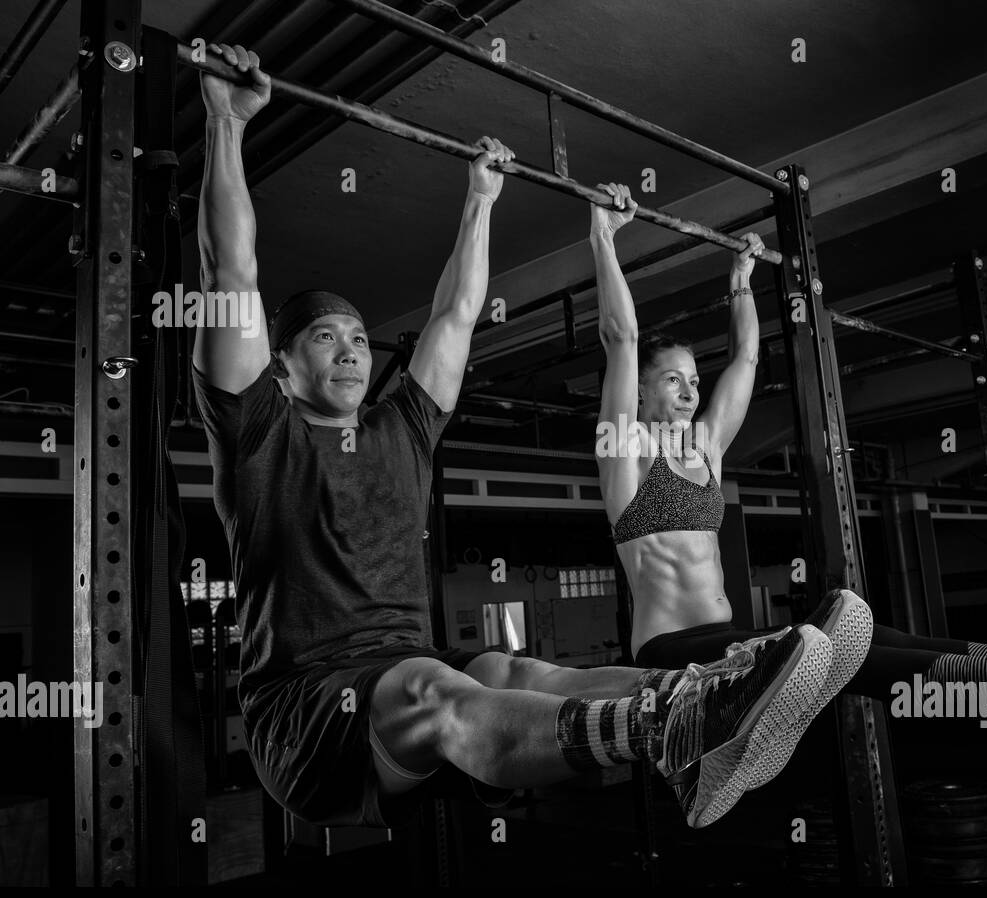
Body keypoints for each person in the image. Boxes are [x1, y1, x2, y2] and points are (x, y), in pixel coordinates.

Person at [190, 43, 860, 832]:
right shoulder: (258, 430)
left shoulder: (400, 427)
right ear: (281, 367)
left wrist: (481, 199)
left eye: (360, 339)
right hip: (307, 713)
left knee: (521, 669)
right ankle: (667, 728)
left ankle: (710, 698)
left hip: (411, 666)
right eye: (324, 338)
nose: (348, 349)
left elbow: (456, 315)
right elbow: (230, 273)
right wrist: (225, 125)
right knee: (436, 692)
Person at [590, 182, 987, 733]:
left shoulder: (707, 450)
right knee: (829, 645)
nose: (692, 392)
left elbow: (745, 360)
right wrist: (603, 232)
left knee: (867, 640)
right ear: (638, 393)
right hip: (668, 652)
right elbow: (621, 338)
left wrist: (740, 279)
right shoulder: (624, 451)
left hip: (727, 639)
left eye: (694, 379)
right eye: (673, 380)